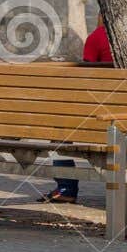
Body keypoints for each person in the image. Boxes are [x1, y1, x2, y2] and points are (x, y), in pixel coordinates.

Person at [38, 16, 113, 205]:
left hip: (99, 116)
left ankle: (66, 188)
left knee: (60, 130)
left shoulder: (97, 37)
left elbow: (86, 75)